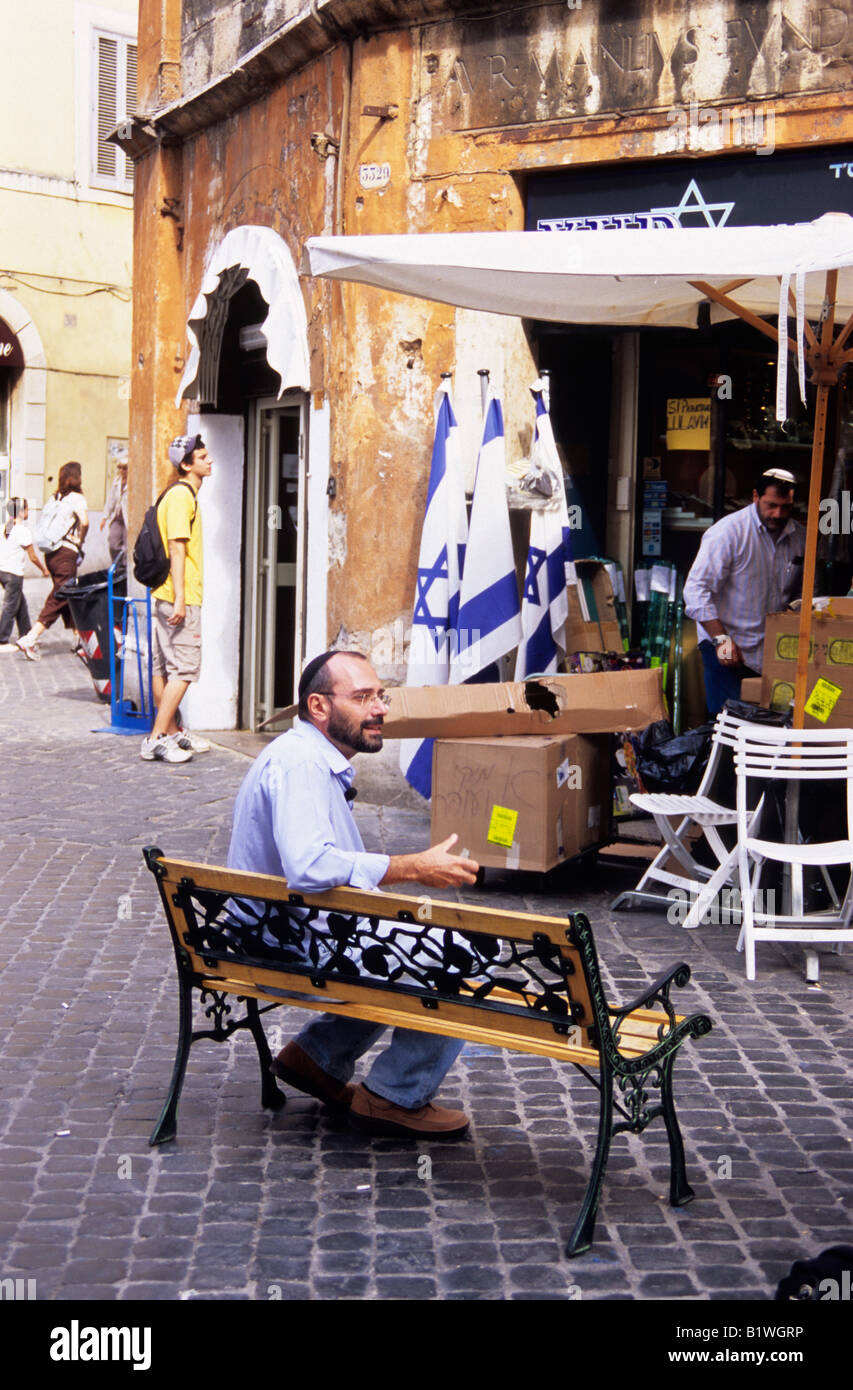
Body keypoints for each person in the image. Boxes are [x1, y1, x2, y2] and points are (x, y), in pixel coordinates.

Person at [227, 648, 480, 1138]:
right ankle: (394, 1097)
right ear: (319, 706)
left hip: (272, 928)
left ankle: (316, 1059)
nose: (380, 708)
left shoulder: (303, 755)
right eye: (362, 697)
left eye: (380, 695)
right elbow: (308, 865)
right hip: (282, 944)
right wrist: (412, 867)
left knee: (406, 939)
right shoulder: (302, 764)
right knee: (456, 955)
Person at [683, 468, 805, 715]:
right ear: (755, 497)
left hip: (773, 651)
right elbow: (696, 590)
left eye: (786, 507)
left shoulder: (800, 537)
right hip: (727, 643)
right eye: (771, 505)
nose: (778, 514)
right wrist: (722, 640)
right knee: (729, 722)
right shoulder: (728, 533)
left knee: (769, 726)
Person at [140, 434, 212, 764]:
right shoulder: (183, 497)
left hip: (163, 593)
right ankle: (156, 738)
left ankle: (170, 733)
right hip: (178, 594)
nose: (209, 461)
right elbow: (178, 548)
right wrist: (183, 598)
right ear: (186, 465)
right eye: (202, 457)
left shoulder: (172, 494)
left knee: (164, 668)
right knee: (184, 669)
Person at [15, 462, 88, 661]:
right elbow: (85, 522)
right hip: (66, 553)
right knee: (61, 594)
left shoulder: (55, 497)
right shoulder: (77, 499)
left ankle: (81, 642)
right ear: (77, 477)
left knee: (68, 595)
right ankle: (30, 637)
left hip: (51, 553)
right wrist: (80, 540)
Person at [0, 498, 50, 651]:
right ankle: (2, 640)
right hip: (14, 574)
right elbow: (33, 556)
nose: (28, 512)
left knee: (20, 603)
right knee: (11, 606)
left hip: (2, 571)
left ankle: (26, 635)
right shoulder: (23, 530)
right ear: (21, 512)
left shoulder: (4, 527)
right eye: (27, 509)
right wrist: (44, 570)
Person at [100, 456, 128, 562]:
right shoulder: (116, 481)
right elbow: (111, 500)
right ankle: (117, 565)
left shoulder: (134, 482)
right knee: (113, 543)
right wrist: (104, 517)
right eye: (120, 467)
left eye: (125, 468)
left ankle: (125, 570)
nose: (121, 470)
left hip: (128, 519)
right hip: (117, 517)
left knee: (127, 546)